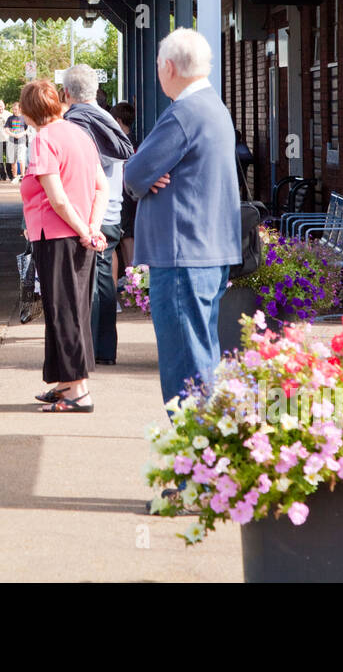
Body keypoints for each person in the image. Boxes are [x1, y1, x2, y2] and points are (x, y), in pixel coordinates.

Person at [123, 28, 241, 410]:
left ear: (169, 67)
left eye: (158, 66)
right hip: (207, 251)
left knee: (183, 367)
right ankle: (209, 449)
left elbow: (134, 174)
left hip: (182, 256)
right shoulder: (214, 107)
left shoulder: (182, 114)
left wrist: (145, 168)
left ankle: (197, 450)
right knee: (203, 356)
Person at [19, 79, 108, 413]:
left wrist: (84, 229)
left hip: (56, 238)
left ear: (29, 112)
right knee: (72, 309)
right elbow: (102, 188)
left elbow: (56, 198)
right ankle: (65, 382)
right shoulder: (80, 135)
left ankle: (79, 393)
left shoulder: (43, 140)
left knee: (63, 312)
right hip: (80, 238)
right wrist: (92, 229)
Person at [61, 65, 133, 366]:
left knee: (82, 284)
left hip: (90, 213)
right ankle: (104, 350)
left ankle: (85, 353)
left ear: (66, 94)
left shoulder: (75, 123)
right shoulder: (108, 119)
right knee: (103, 282)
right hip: (113, 212)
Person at [109, 101, 137, 296]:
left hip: (124, 194)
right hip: (133, 193)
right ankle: (133, 275)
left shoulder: (120, 143)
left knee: (127, 237)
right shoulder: (136, 141)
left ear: (118, 120)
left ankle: (133, 277)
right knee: (128, 235)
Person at [5, 102, 29, 180]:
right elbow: (6, 129)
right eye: (13, 109)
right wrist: (13, 135)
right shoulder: (10, 118)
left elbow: (27, 129)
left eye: (15, 109)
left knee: (21, 159)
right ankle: (15, 176)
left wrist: (21, 134)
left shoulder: (24, 118)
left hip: (21, 141)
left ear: (20, 109)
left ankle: (23, 176)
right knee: (13, 160)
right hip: (12, 142)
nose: (14, 110)